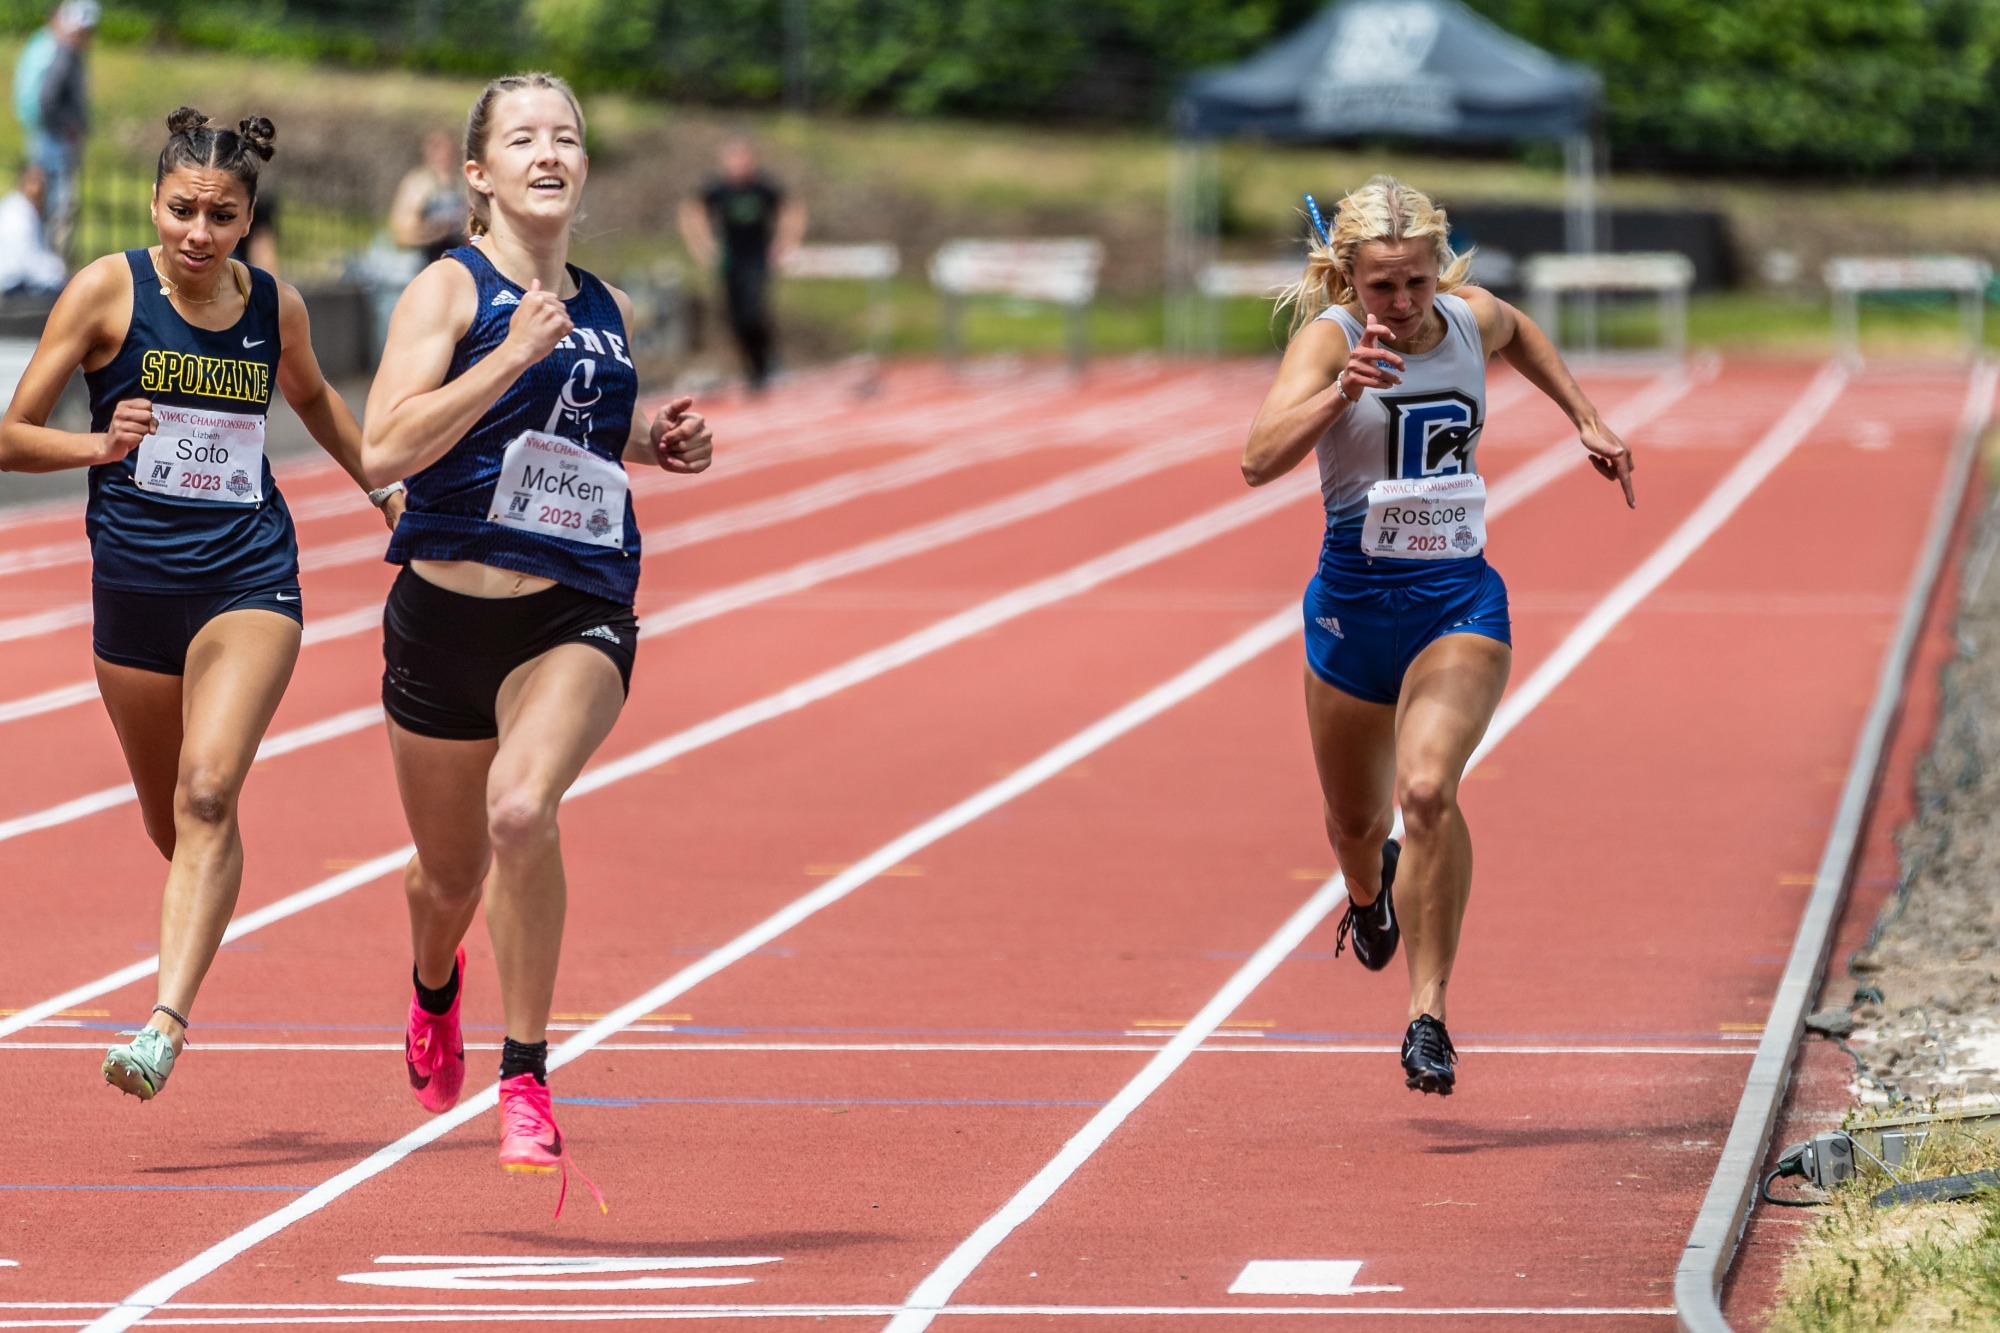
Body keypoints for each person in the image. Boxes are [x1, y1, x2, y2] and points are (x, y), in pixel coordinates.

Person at [360, 72, 711, 1193]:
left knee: (522, 810)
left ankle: (527, 1077)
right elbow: (382, 451)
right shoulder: (447, 292)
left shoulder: (603, 305)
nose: (548, 152)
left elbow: (576, 439)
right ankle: (430, 984)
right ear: (480, 173)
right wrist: (510, 352)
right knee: (444, 877)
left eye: (565, 136)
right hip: (441, 621)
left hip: (576, 606)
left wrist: (656, 441)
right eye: (523, 138)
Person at [0, 108, 393, 1100]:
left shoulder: (276, 308)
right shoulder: (107, 291)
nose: (197, 234)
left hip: (246, 574)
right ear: (154, 203)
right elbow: (11, 434)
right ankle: (206, 894)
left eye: (220, 216)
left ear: (249, 218)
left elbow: (314, 404)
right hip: (133, 586)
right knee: (174, 822)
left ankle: (163, 1024)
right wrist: (100, 445)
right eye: (182, 211)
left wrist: (387, 493)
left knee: (209, 792)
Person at [1242, 176, 1635, 1097]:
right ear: (1349, 279)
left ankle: (1429, 1014)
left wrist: (1584, 416)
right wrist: (1339, 395)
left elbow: (1522, 332)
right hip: (1349, 609)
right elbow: (1257, 460)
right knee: (1355, 824)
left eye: (1417, 280)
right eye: (1383, 286)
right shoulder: (1327, 342)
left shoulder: (1467, 318)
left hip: (1457, 602)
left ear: (1437, 267)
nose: (1406, 303)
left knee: (1426, 790)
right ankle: (1369, 893)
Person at [677, 135, 805, 392]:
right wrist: (702, 246)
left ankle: (764, 364)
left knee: (753, 312)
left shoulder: (763, 187)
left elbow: (792, 208)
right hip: (730, 260)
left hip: (756, 259)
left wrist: (786, 242)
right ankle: (753, 370)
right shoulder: (718, 188)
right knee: (734, 317)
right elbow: (692, 211)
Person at [13, 0, 97, 262]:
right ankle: (52, 263)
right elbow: (47, 101)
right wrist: (70, 126)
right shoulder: (63, 54)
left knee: (48, 201)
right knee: (58, 204)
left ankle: (45, 259)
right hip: (54, 141)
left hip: (48, 138)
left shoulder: (55, 49)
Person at [388, 130, 467, 266]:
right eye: (437, 150)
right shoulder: (418, 184)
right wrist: (434, 231)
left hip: (454, 258)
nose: (443, 156)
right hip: (422, 258)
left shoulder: (461, 183)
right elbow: (401, 233)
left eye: (447, 151)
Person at [0, 162, 69, 297]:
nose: (38, 188)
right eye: (34, 182)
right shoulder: (17, 216)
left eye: (42, 183)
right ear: (23, 183)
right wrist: (58, 274)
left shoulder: (22, 209)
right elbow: (28, 264)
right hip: (16, 287)